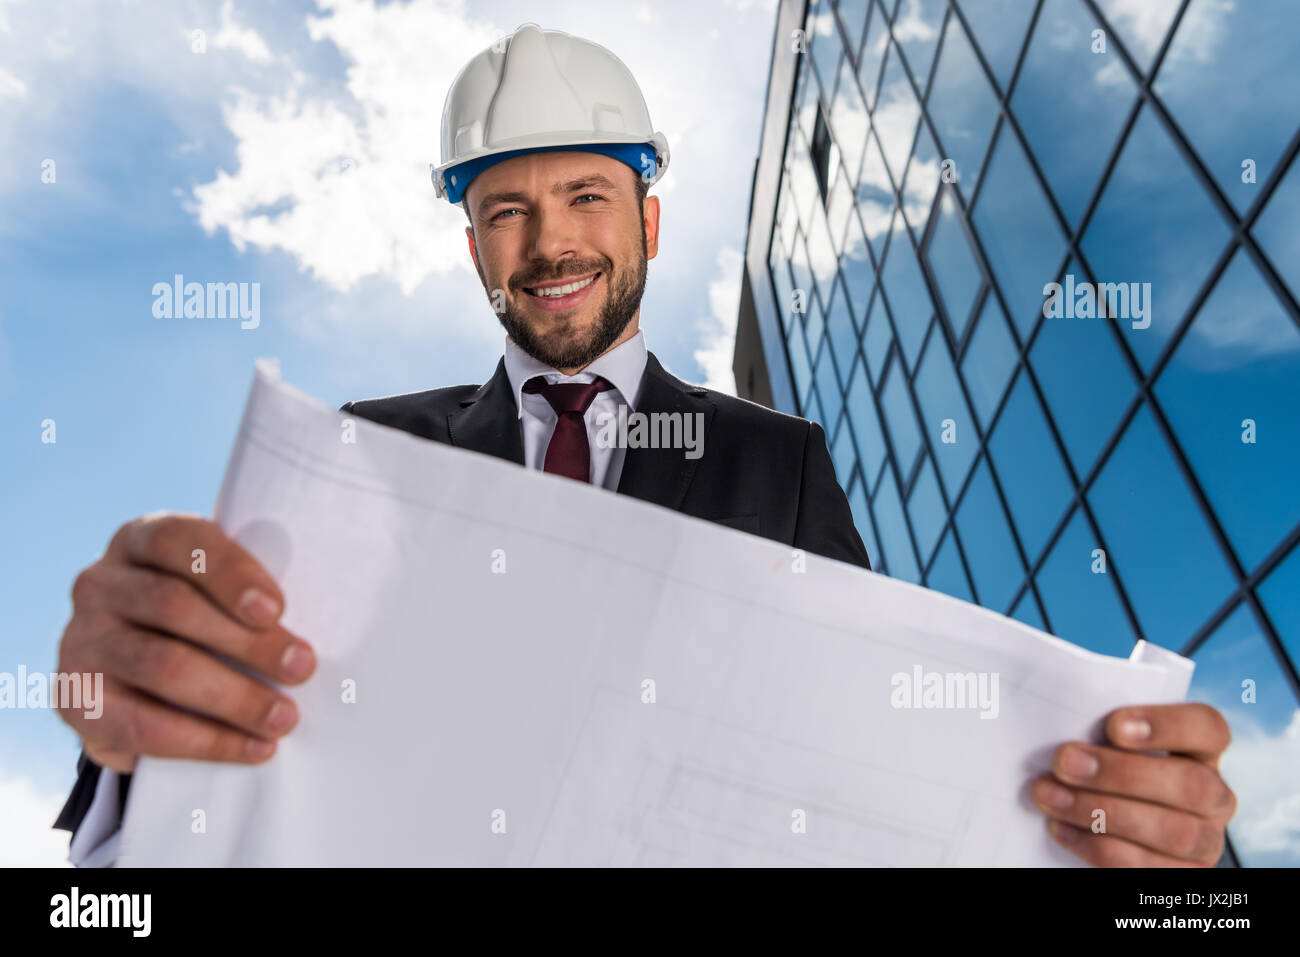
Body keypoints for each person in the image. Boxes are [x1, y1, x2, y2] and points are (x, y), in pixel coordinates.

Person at [53, 24, 1235, 868]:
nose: (548, 242)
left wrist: (1146, 856)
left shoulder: (776, 459)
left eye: (585, 197)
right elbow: (238, 750)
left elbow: (861, 732)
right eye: (505, 211)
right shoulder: (366, 445)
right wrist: (129, 733)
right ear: (474, 247)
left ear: (649, 222)